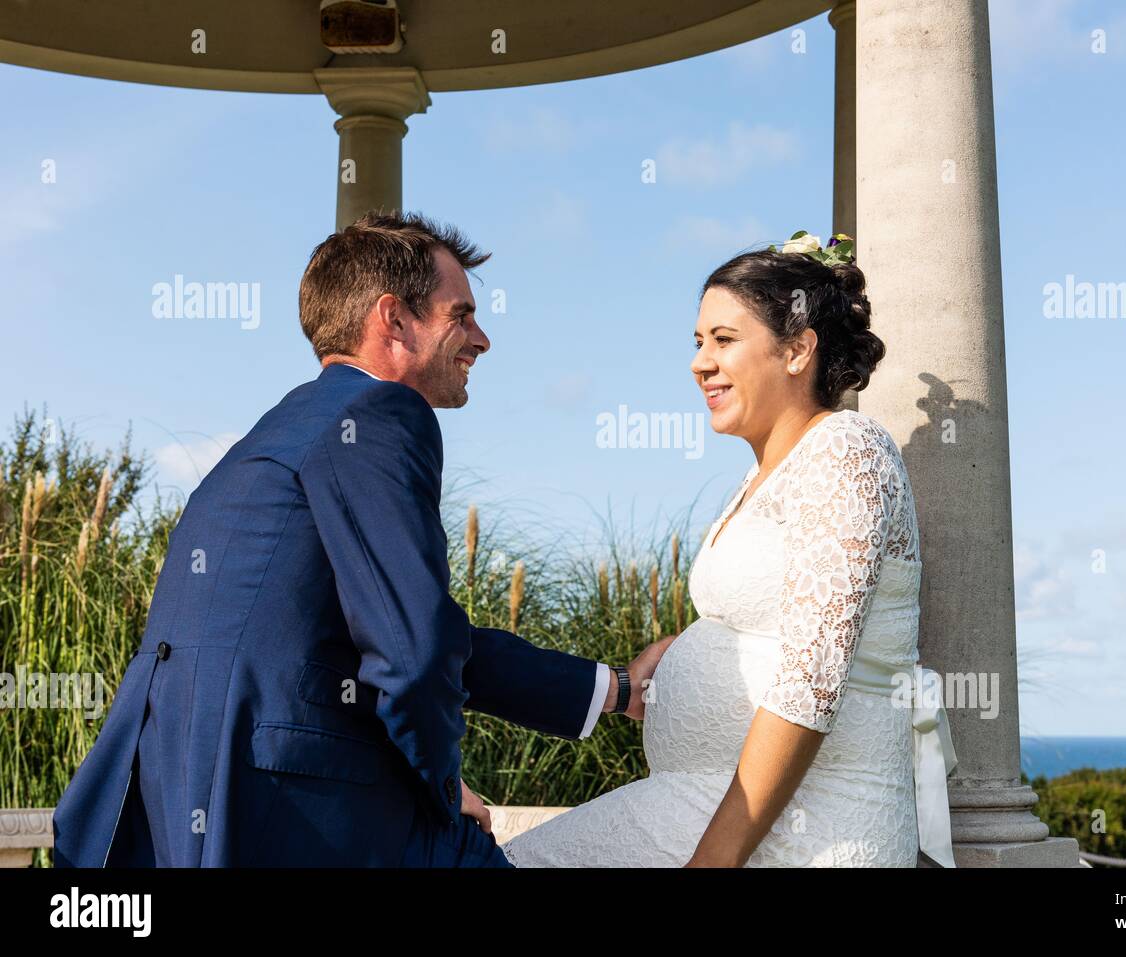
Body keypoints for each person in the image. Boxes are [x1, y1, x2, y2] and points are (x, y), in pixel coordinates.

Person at [52, 211, 672, 867]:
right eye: (460, 314)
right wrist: (435, 789)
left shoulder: (274, 435)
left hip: (182, 803)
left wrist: (616, 691)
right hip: (302, 810)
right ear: (393, 319)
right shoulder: (381, 413)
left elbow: (417, 636)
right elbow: (414, 651)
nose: (481, 338)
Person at [502, 235, 957, 867]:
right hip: (706, 802)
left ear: (797, 349)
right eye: (697, 343)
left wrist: (712, 864)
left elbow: (809, 682)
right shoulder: (763, 472)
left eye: (724, 339)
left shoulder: (846, 452)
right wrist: (683, 648)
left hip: (805, 829)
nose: (700, 363)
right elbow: (779, 610)